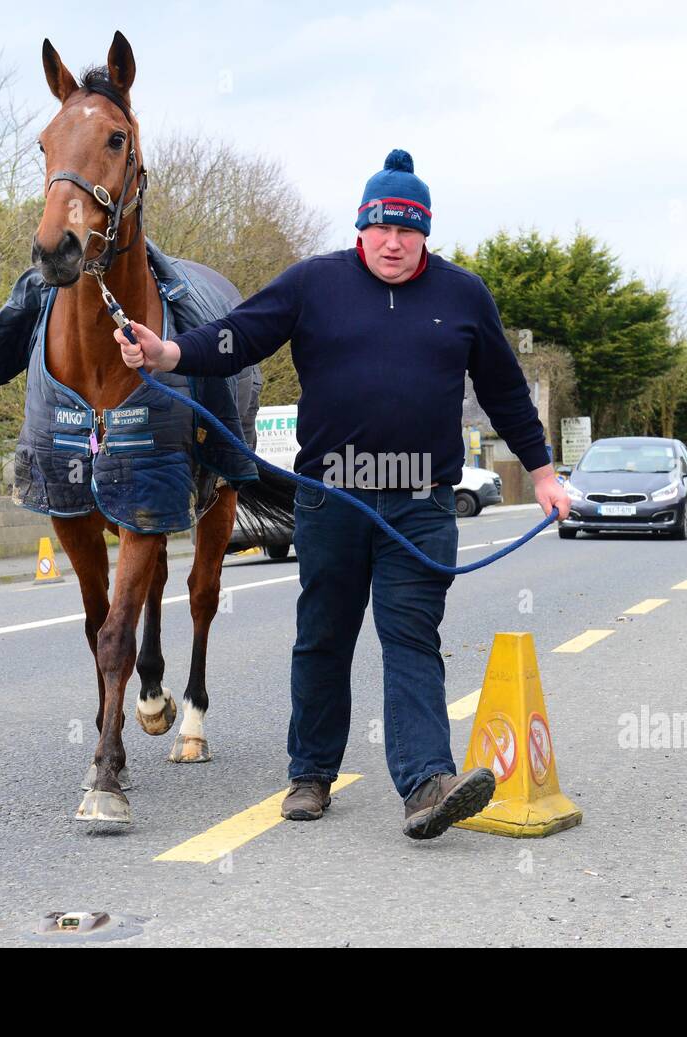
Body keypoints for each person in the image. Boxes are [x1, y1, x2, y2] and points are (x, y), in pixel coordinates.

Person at [115, 148, 569, 839]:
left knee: (411, 635)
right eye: (381, 227)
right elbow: (242, 336)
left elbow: (504, 389)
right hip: (333, 500)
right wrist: (170, 353)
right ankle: (311, 773)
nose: (393, 242)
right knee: (323, 636)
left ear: (426, 232)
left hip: (420, 503)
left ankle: (426, 785)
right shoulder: (315, 284)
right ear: (361, 228)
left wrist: (541, 472)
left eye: (408, 229)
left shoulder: (463, 295)